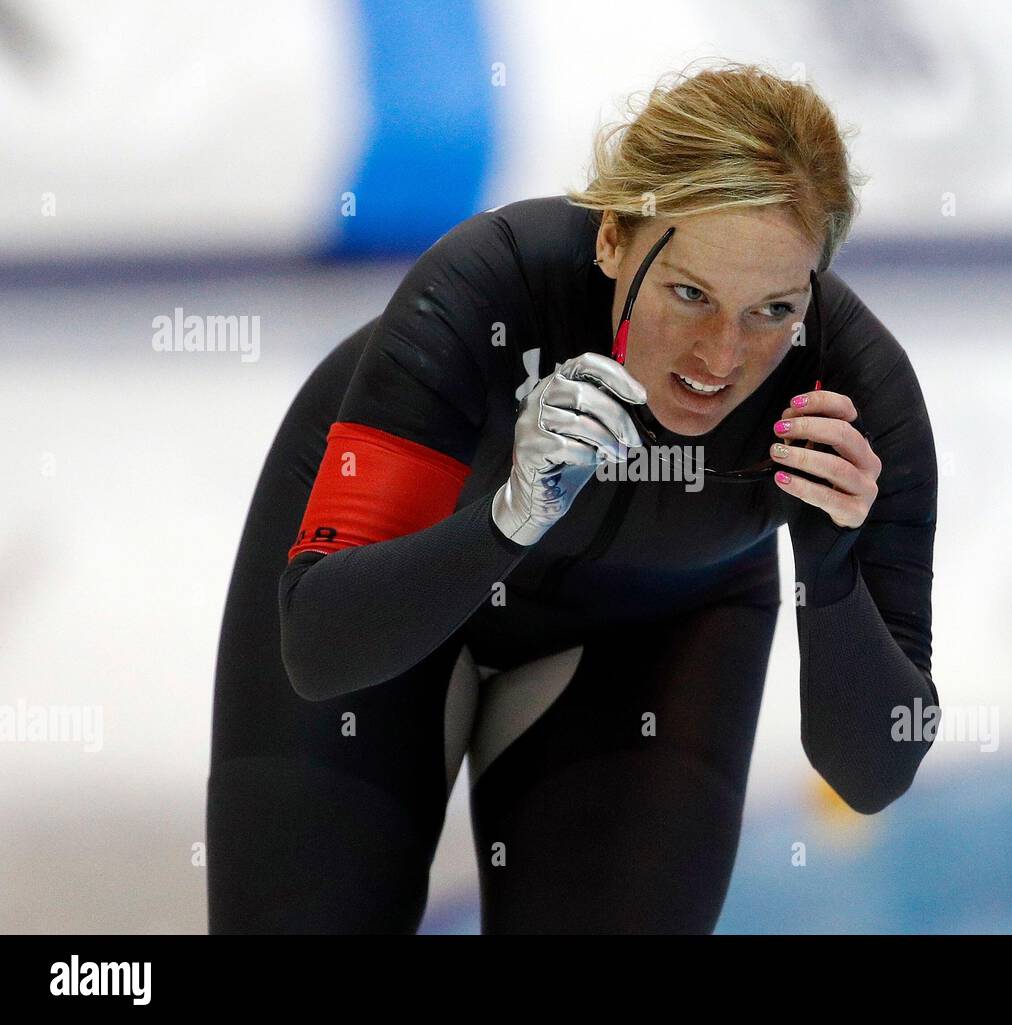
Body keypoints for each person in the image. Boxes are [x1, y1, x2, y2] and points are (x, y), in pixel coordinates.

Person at [206, 60, 940, 935]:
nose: (718, 357)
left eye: (771, 309)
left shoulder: (852, 387)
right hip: (394, 581)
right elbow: (321, 652)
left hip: (651, 629)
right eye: (689, 292)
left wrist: (829, 563)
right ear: (611, 240)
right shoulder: (487, 291)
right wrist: (506, 518)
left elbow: (872, 769)